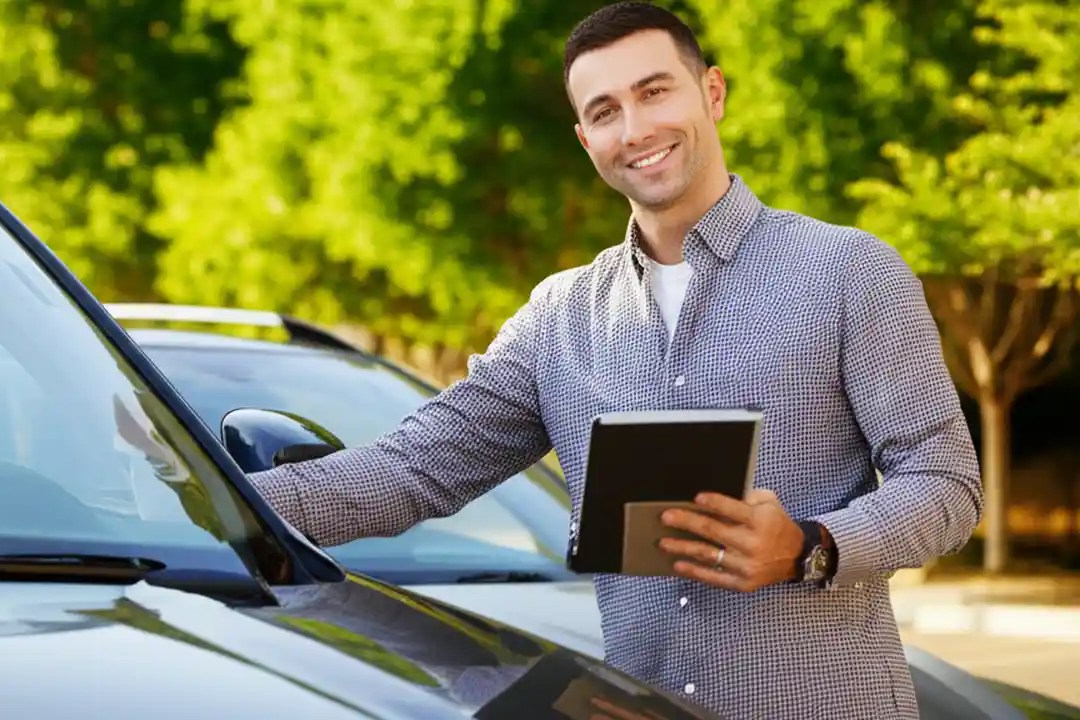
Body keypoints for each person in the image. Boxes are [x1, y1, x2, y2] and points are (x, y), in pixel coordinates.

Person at [247, 2, 983, 718]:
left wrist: (811, 547)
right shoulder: (558, 316)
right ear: (585, 138)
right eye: (605, 112)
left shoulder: (851, 272)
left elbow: (946, 483)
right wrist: (205, 501)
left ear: (713, 92)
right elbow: (414, 468)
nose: (635, 129)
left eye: (654, 91)